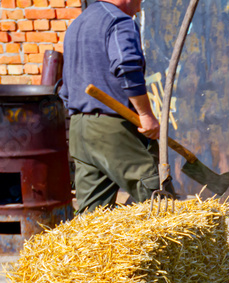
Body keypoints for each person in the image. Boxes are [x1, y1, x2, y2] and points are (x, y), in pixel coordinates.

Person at [60, 0, 163, 213]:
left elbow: (67, 86)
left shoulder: (77, 24)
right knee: (155, 197)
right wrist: (145, 114)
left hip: (79, 128)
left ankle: (89, 248)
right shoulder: (118, 20)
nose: (139, 7)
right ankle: (174, 247)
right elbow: (127, 67)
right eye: (138, 1)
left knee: (93, 216)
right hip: (111, 129)